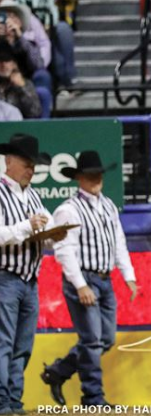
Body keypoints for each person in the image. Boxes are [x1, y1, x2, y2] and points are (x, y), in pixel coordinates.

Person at [39, 151, 138, 407]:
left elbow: (119, 242)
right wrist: (80, 284)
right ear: (79, 178)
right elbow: (64, 249)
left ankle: (58, 372)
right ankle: (93, 398)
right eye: (90, 175)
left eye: (98, 174)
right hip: (84, 278)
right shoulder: (68, 210)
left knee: (105, 338)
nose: (95, 179)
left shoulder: (107, 205)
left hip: (104, 279)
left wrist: (128, 275)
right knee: (92, 340)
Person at [0, 133, 66, 415]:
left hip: (28, 280)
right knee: (3, 343)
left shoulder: (34, 195)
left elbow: (47, 235)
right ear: (9, 161)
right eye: (27, 164)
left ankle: (13, 400)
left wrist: (56, 235)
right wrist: (27, 227)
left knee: (22, 346)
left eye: (34, 165)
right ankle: (3, 401)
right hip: (5, 277)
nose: (32, 170)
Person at [0, 42, 41, 118]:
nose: (3, 64)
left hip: (20, 128)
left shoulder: (25, 84)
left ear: (14, 64)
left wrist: (22, 88)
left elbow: (35, 113)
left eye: (7, 60)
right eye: (0, 60)